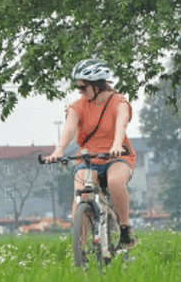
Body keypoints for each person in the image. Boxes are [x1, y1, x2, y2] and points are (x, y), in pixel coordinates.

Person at [46, 59, 138, 248]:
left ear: (97, 84)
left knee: (114, 182)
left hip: (117, 156)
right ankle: (79, 246)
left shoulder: (119, 102)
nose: (79, 90)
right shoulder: (76, 107)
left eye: (82, 86)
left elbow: (121, 124)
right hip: (88, 157)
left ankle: (124, 228)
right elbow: (69, 130)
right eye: (77, 86)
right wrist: (59, 150)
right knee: (82, 193)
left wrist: (116, 144)